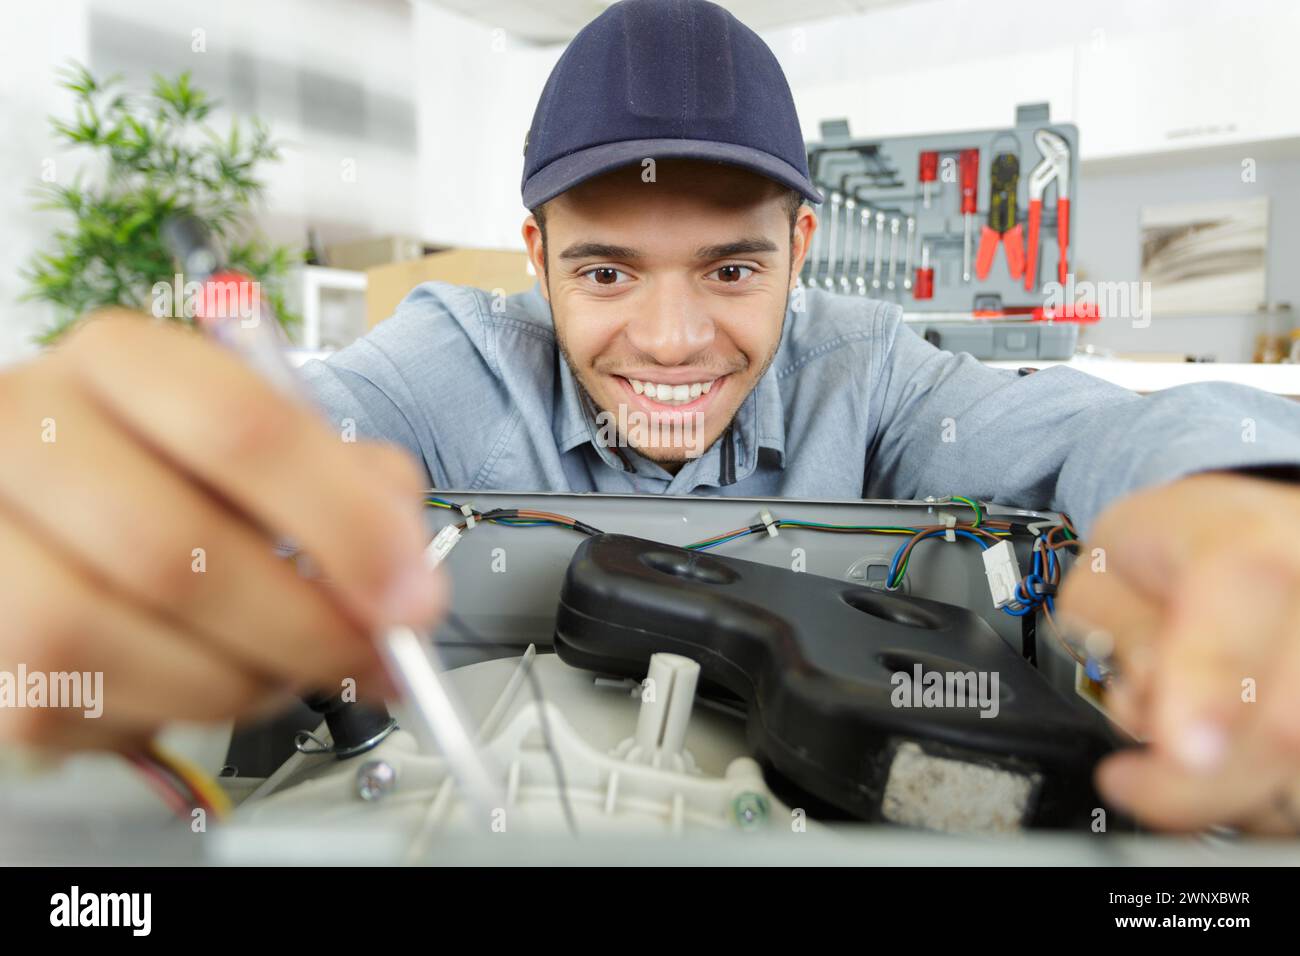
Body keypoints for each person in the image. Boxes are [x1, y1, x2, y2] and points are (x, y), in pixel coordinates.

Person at [2, 0, 1298, 834]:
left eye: (733, 271)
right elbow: (286, 427)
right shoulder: (448, 359)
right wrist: (110, 478)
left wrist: (1248, 499)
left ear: (802, 243)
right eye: (606, 271)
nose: (672, 343)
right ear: (535, 250)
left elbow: (1096, 433)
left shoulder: (878, 370)